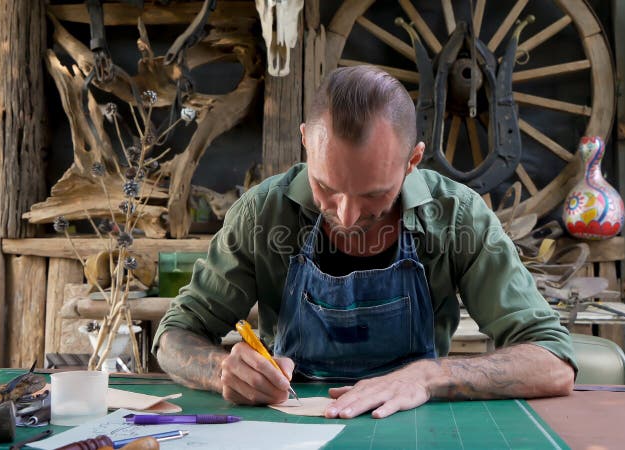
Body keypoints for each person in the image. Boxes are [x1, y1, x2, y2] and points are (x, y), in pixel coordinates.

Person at [154, 65, 576, 419]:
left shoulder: (457, 218)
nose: (347, 216)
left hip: (418, 429)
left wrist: (429, 376)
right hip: (290, 428)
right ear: (306, 142)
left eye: (373, 194)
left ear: (412, 161)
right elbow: (175, 337)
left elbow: (553, 362)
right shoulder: (263, 214)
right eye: (326, 187)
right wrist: (222, 370)